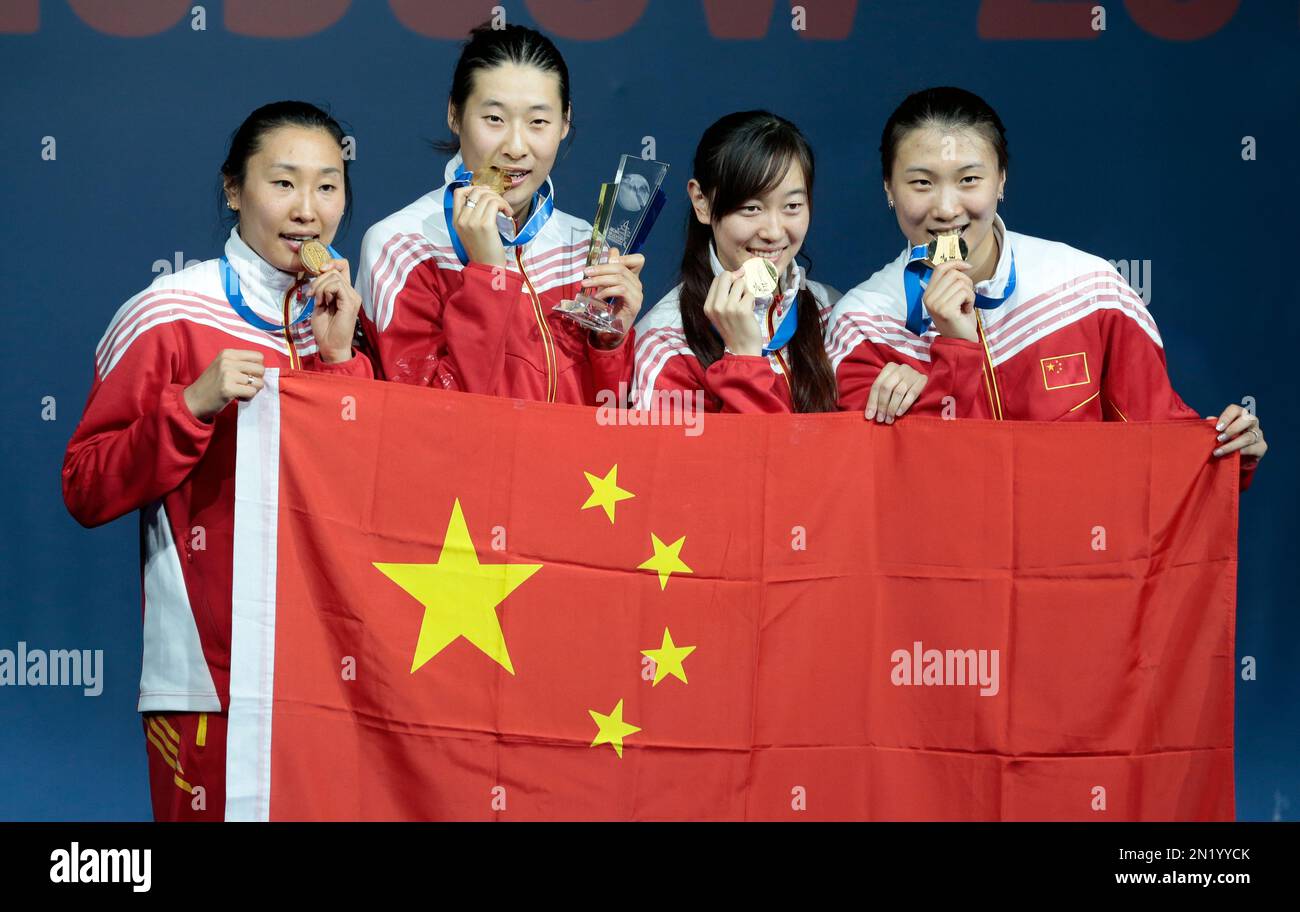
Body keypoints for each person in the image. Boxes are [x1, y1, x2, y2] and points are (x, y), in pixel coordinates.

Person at [61, 101, 371, 820]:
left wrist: (338, 364)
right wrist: (189, 406)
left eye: (327, 186)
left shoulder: (352, 320)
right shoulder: (170, 311)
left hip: (333, 667)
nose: (307, 210)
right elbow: (83, 485)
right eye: (283, 183)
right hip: (209, 676)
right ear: (234, 190)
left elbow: (366, 500)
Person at [826, 87, 1266, 484]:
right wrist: (956, 351)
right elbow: (878, 493)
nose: (945, 207)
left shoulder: (1087, 291)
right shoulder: (863, 324)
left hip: (1074, 566)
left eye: (969, 180)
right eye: (921, 183)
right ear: (888, 188)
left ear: (1001, 180)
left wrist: (1228, 453)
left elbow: (1157, 446)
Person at [356, 22, 643, 403]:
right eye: (494, 119)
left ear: (565, 122)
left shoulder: (585, 247)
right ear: (455, 115)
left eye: (538, 121)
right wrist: (488, 275)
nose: (516, 146)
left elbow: (609, 415)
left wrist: (610, 340)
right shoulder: (401, 247)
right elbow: (426, 418)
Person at [633, 111, 839, 413]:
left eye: (792, 206)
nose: (773, 231)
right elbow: (711, 462)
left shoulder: (833, 314)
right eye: (751, 208)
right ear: (702, 202)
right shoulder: (666, 342)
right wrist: (743, 360)